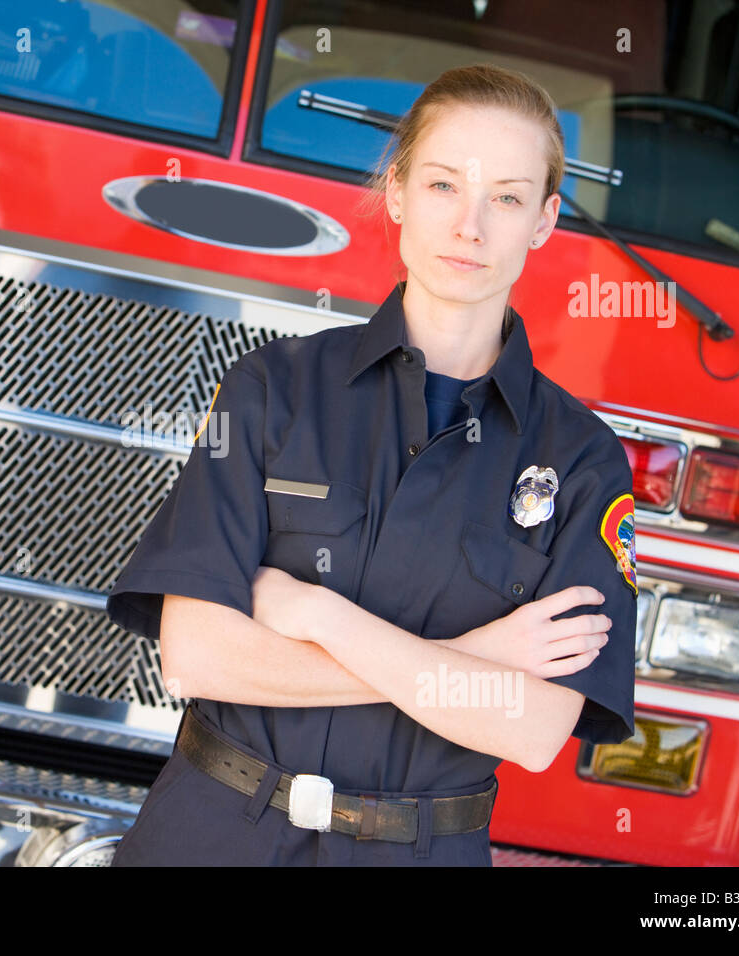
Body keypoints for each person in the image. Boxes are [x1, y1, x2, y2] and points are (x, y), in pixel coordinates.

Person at [105, 63, 637, 866]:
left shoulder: (583, 461)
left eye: (506, 197)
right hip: (209, 834)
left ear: (543, 221)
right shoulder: (271, 390)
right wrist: (481, 659)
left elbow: (530, 730)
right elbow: (197, 656)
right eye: (442, 185)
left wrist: (320, 617)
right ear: (396, 193)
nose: (470, 227)